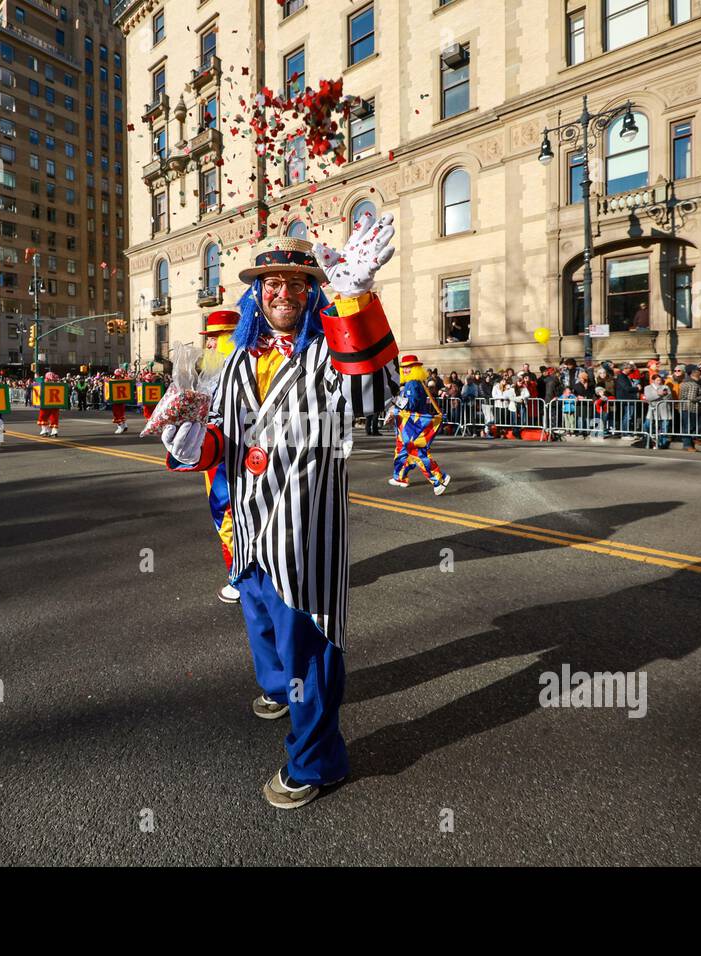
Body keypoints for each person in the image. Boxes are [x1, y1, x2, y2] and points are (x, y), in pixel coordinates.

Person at [160, 216, 399, 809]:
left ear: (312, 291)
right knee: (262, 626)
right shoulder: (240, 362)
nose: (283, 292)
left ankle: (318, 762)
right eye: (271, 283)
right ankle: (280, 691)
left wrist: (356, 300)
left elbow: (373, 393)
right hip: (249, 527)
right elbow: (228, 442)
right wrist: (193, 442)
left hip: (304, 530)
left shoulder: (330, 352)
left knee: (309, 651)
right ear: (257, 293)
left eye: (297, 282)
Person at [198, 309, 242, 603]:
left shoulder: (236, 369)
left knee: (228, 516)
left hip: (232, 457)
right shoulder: (213, 371)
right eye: (208, 338)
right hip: (216, 456)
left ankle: (239, 578)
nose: (209, 344)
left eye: (215, 337)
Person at [388, 355, 450, 493]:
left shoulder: (413, 384)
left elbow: (411, 404)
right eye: (403, 367)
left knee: (418, 453)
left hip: (412, 426)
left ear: (416, 368)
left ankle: (439, 479)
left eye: (408, 367)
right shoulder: (413, 383)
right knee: (401, 451)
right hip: (406, 425)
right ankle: (400, 477)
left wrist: (394, 400)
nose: (405, 370)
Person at [36, 371, 62, 436]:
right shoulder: (58, 384)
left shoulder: (43, 384)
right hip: (55, 404)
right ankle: (54, 431)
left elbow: (38, 393)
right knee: (54, 417)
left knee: (43, 416)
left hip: (46, 403)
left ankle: (45, 430)